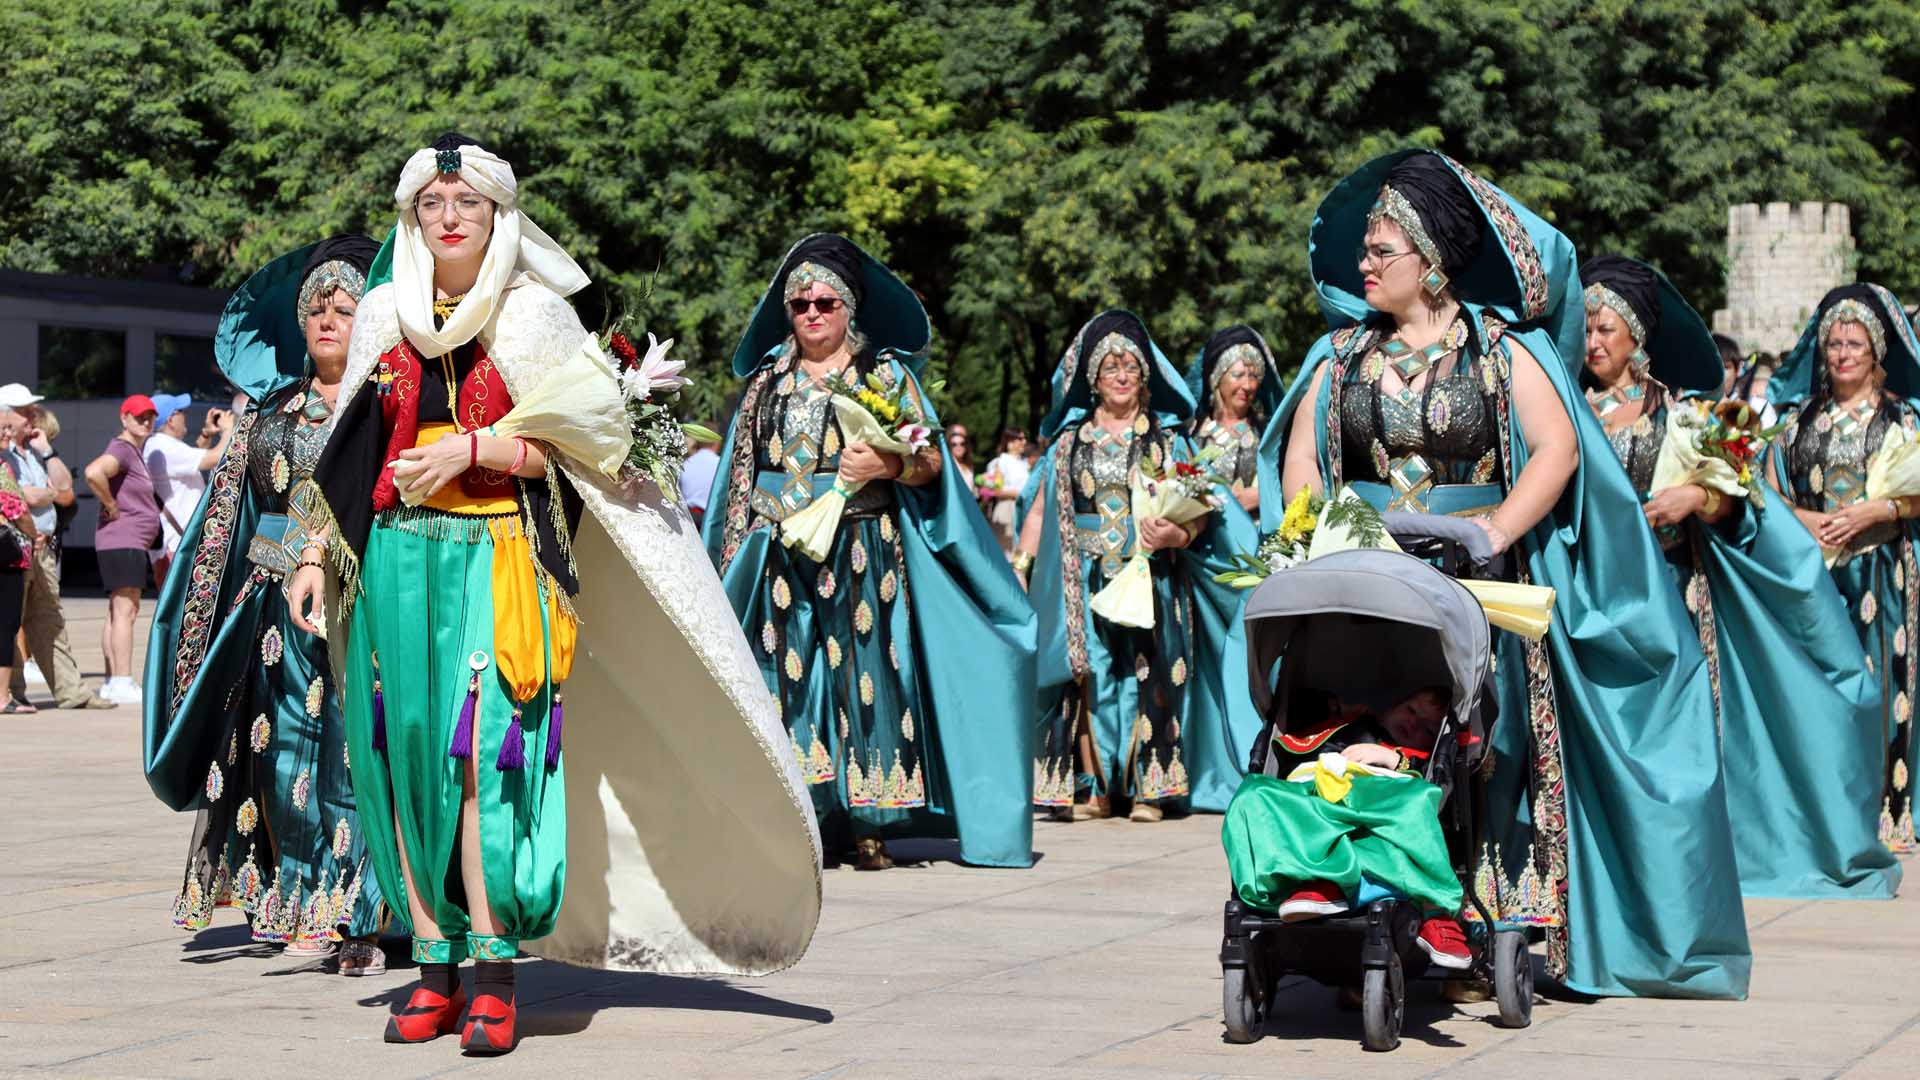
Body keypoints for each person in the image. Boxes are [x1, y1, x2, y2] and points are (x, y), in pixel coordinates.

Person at [286, 135, 820, 1052]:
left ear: (499, 217)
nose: (449, 220)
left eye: (468, 205)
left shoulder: (535, 317)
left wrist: (477, 449)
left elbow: (585, 459)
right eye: (432, 206)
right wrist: (310, 554)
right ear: (413, 220)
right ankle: (433, 964)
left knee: (491, 754)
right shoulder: (381, 314)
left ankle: (494, 969)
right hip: (393, 563)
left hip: (500, 560)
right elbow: (344, 452)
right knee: (399, 752)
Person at [1257, 150, 1750, 999]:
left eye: (1381, 252)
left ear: (1431, 259)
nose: (1364, 266)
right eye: (1364, 253)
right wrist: (1323, 535)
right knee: (1355, 732)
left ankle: (1483, 923)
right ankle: (1351, 900)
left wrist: (1494, 531)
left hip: (1473, 580)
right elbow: (1303, 456)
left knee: (1485, 748)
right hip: (1364, 581)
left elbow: (1555, 449)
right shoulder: (1337, 356)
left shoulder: (1501, 350)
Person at [705, 233, 1036, 870]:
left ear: (850, 307)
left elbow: (931, 461)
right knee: (785, 677)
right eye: (798, 304)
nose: (811, 314)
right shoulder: (766, 383)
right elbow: (739, 478)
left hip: (863, 544)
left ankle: (870, 820)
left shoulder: (885, 377)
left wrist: (890, 461)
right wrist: (727, 559)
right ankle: (798, 811)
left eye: (825, 302)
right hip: (779, 551)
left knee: (867, 671)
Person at [1582, 255, 1897, 898]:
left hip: (1669, 594)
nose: (1592, 343)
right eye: (1586, 330)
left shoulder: (1689, 413)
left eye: (1605, 330)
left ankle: (1684, 861)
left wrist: (1696, 499)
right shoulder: (1562, 408)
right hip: (1587, 594)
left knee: (1674, 733)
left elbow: (1740, 496)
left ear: (1637, 337)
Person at [143, 236, 394, 974]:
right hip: (273, 613)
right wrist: (208, 622)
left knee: (355, 754)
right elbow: (224, 521)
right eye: (316, 308)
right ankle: (296, 895)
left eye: (345, 308)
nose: (327, 320)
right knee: (280, 758)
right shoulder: (268, 413)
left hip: (361, 603)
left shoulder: (383, 404)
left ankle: (362, 914)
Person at [1014, 310, 1261, 822]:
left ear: (1145, 377)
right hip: (1084, 582)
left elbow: (1208, 508)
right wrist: (1021, 567)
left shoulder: (1170, 443)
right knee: (1090, 676)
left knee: (1152, 674)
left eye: (1131, 367)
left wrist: (1179, 532)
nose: (1122, 376)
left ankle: (1152, 787)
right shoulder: (1068, 444)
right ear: (1094, 380)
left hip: (1154, 576)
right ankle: (1095, 789)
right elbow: (1039, 508)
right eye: (1110, 368)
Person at [1765, 283, 1920, 852]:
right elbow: (1765, 488)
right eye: (1834, 343)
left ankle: (1885, 810)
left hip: (1880, 569)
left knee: (1881, 685)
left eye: (1855, 343)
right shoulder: (1798, 421)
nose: (1843, 353)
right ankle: (1821, 810)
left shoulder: (1902, 419)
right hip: (1815, 573)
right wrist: (1803, 520)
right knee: (1817, 686)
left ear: (1876, 351)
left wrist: (1877, 510)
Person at [1221, 686, 1472, 968]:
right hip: (1315, 800)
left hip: (1378, 808)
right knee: (1252, 794)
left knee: (1419, 801)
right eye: (1410, 710)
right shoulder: (1345, 727)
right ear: (1387, 705)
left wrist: (1394, 759)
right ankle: (1313, 880)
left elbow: (1430, 780)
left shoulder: (1416, 756)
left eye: (1426, 729)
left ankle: (1435, 911)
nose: (1413, 723)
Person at [0, 390, 111, 710]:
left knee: (50, 620)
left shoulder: (33, 453)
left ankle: (71, 692)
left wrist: (47, 452)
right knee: (11, 621)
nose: (32, 416)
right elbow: (22, 499)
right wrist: (45, 494)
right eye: (24, 411)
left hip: (43, 546)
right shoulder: (4, 455)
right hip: (17, 546)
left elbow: (64, 492)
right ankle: (12, 691)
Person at [83, 395, 162, 705]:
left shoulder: (132, 452)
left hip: (124, 541)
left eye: (149, 417)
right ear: (124, 418)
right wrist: (111, 504)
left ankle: (111, 679)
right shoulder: (122, 449)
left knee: (117, 612)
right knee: (126, 611)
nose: (145, 422)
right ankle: (121, 679)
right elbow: (93, 472)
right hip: (123, 540)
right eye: (139, 416)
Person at [1186, 325, 1284, 516]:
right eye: (1237, 375)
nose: (1247, 385)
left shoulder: (1269, 433)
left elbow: (1293, 484)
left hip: (1255, 540)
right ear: (1217, 379)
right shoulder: (1191, 431)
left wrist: (1262, 496)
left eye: (1254, 376)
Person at [145, 392, 234, 584]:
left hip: (176, 544)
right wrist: (228, 430)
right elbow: (213, 458)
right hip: (177, 546)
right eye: (181, 411)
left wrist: (206, 435)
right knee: (181, 610)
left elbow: (194, 459)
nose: (185, 415)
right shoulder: (164, 448)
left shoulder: (160, 447)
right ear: (170, 419)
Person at [980, 427, 1030, 555]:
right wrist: (1020, 493)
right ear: (1010, 441)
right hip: (1006, 509)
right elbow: (996, 491)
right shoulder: (1001, 461)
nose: (1024, 442)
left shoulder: (1025, 463)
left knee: (1019, 552)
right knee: (1005, 552)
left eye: (1024, 438)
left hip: (1024, 509)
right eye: (1020, 438)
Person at [678, 424, 721, 525]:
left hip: (688, 520)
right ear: (716, 442)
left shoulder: (685, 464)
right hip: (712, 522)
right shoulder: (720, 464)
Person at [946, 424, 976, 494]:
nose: (959, 447)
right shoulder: (947, 465)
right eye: (954, 444)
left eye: (962, 444)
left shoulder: (969, 463)